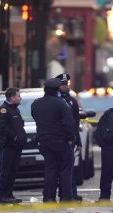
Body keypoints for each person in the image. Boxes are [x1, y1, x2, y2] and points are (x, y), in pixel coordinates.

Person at [31, 78, 76, 202]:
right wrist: (71, 138)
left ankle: (49, 197)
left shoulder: (36, 103)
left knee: (50, 169)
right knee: (65, 169)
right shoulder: (61, 103)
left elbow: (36, 118)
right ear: (57, 90)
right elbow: (68, 124)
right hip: (61, 142)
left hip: (44, 141)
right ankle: (66, 197)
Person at [0, 88, 27, 204]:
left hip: (16, 146)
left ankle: (9, 194)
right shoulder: (3, 110)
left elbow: (19, 126)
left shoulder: (15, 110)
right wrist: (14, 137)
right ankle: (1, 195)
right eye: (18, 96)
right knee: (4, 170)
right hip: (7, 146)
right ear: (12, 98)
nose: (20, 98)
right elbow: (3, 128)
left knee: (12, 171)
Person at [55, 73, 83, 201]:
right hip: (57, 139)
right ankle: (62, 193)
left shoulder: (72, 101)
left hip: (70, 139)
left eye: (67, 84)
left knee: (70, 167)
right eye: (63, 85)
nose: (66, 87)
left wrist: (77, 139)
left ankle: (71, 193)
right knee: (58, 168)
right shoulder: (54, 99)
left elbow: (76, 122)